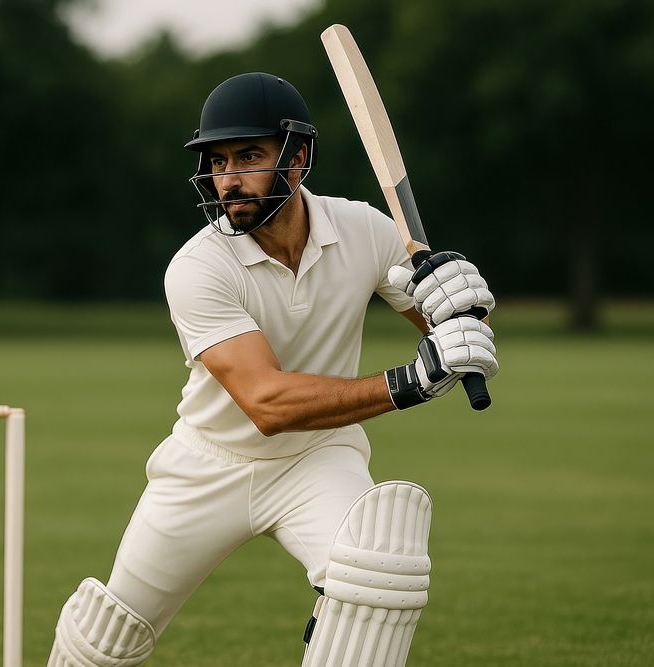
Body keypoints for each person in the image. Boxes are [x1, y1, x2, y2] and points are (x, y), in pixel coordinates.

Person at [47, 72, 498, 667]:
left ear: (298, 158)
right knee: (109, 637)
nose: (228, 178)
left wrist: (456, 306)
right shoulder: (198, 267)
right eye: (217, 160)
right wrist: (409, 382)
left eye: (249, 156)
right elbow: (267, 404)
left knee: (377, 580)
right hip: (207, 466)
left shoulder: (365, 229)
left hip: (320, 459)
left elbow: (446, 330)